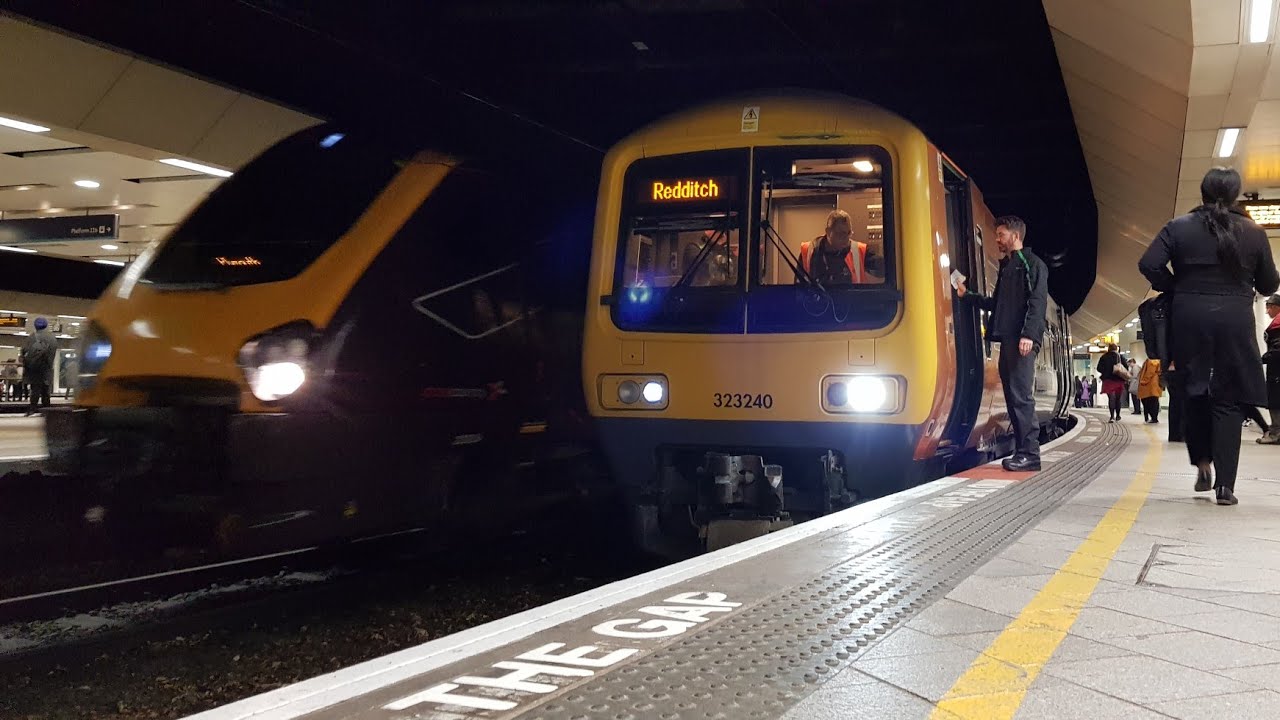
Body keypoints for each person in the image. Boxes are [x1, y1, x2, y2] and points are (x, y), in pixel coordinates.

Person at [1138, 166, 1280, 505]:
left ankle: (1203, 463)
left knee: (1194, 389)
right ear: (1235, 195)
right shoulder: (1253, 232)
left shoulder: (1178, 227)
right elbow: (1269, 284)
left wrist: (1178, 286)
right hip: (1235, 317)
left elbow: (1149, 263)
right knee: (1229, 398)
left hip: (1189, 316)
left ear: (1202, 193)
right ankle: (1226, 486)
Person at [956, 215, 1048, 471]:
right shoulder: (1008, 268)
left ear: (1015, 236)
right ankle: (1023, 452)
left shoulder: (1032, 264)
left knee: (1021, 398)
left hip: (1021, 342)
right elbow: (996, 306)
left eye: (1001, 235)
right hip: (1008, 340)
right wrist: (968, 296)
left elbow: (1037, 301)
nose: (997, 240)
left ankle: (1030, 454)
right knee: (1012, 397)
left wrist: (1028, 335)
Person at [796, 209, 883, 286]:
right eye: (840, 234)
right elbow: (797, 290)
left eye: (848, 233)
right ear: (828, 231)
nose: (846, 238)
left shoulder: (859, 250)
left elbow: (884, 268)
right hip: (819, 303)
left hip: (850, 303)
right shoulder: (809, 251)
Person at [20, 317, 57, 416]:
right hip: (47, 368)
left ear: (35, 326)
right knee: (46, 390)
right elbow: (52, 354)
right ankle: (47, 410)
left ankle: (32, 409)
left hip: (35, 369)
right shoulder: (52, 338)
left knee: (35, 389)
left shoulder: (32, 337)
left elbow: (24, 351)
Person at [1096, 345, 1128, 422]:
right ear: (1116, 349)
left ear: (1108, 348)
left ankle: (1112, 416)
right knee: (1118, 398)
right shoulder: (1120, 356)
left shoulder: (1104, 357)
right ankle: (1118, 415)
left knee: (1111, 398)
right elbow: (1126, 367)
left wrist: (1106, 371)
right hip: (1118, 380)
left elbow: (1098, 368)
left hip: (1108, 380)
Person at [1138, 358, 1163, 423]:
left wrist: (1143, 381)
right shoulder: (1158, 361)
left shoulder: (1152, 361)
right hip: (1154, 385)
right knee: (1154, 401)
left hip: (1149, 385)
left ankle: (1153, 418)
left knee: (1149, 402)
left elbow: (1149, 372)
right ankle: (1153, 417)